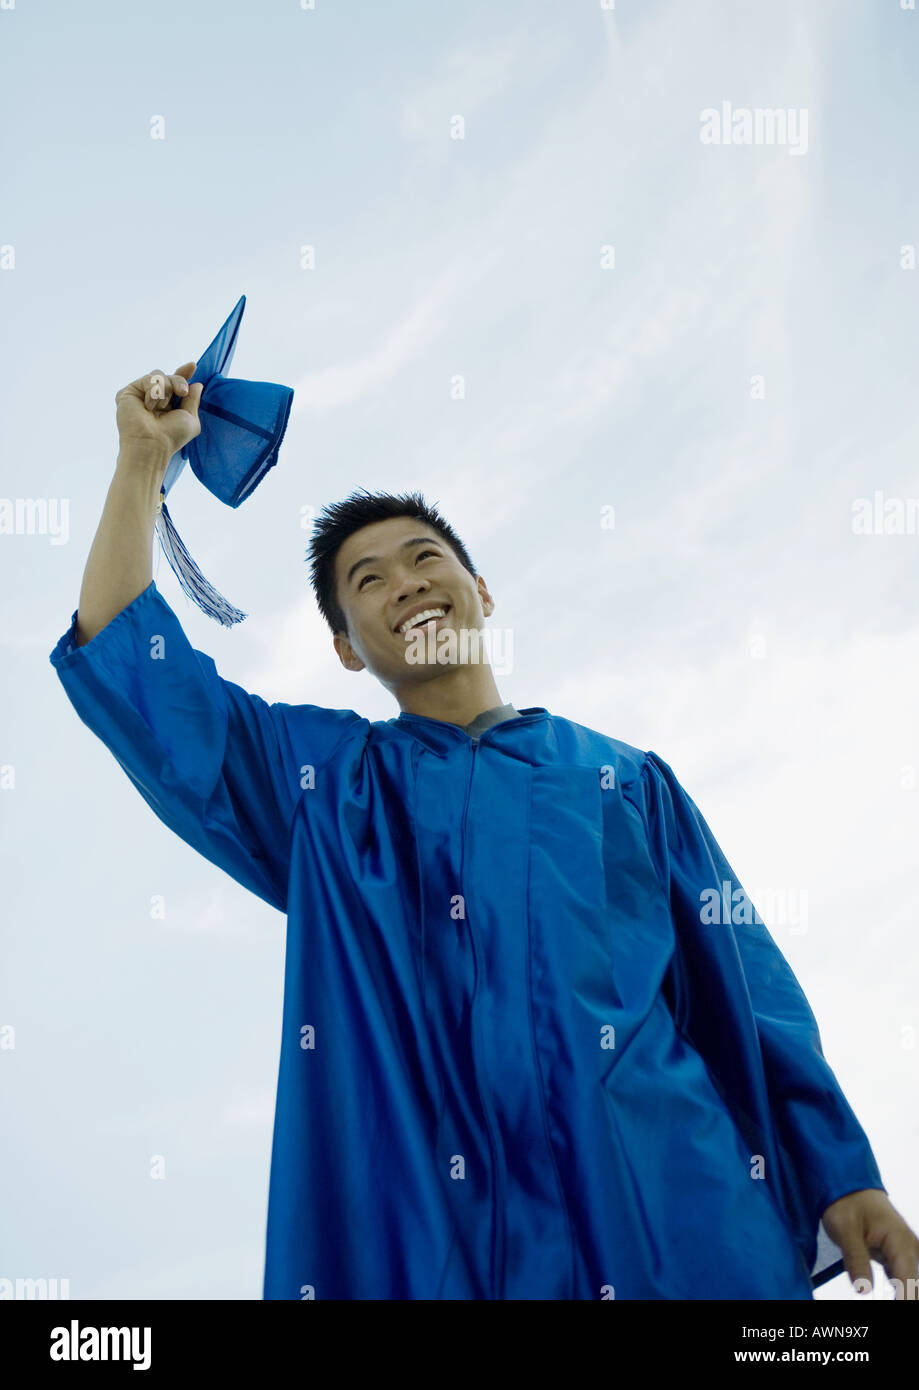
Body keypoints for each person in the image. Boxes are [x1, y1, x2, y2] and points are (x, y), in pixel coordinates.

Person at [50, 362, 919, 1301]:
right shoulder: (321, 784)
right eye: (367, 580)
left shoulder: (620, 780)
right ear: (346, 647)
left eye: (427, 559)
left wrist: (843, 1170)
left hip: (667, 1211)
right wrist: (142, 463)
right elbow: (128, 654)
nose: (407, 586)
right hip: (432, 1240)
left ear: (481, 590)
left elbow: (746, 991)